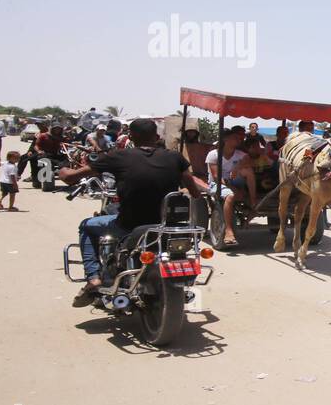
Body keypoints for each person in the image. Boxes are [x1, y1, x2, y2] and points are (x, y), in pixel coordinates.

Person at [58, 118, 208, 305]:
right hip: (165, 226)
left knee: (87, 226)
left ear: (130, 136)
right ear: (156, 136)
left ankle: (94, 278)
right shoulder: (174, 157)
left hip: (130, 225)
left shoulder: (118, 156)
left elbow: (70, 177)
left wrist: (63, 168)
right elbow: (194, 192)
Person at [206, 128, 249, 247]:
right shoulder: (213, 154)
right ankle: (228, 231)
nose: (238, 140)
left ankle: (254, 201)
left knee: (248, 171)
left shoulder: (239, 154)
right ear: (226, 140)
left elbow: (248, 160)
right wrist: (232, 188)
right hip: (218, 183)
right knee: (230, 196)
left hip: (235, 181)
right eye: (234, 138)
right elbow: (215, 177)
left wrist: (238, 167)